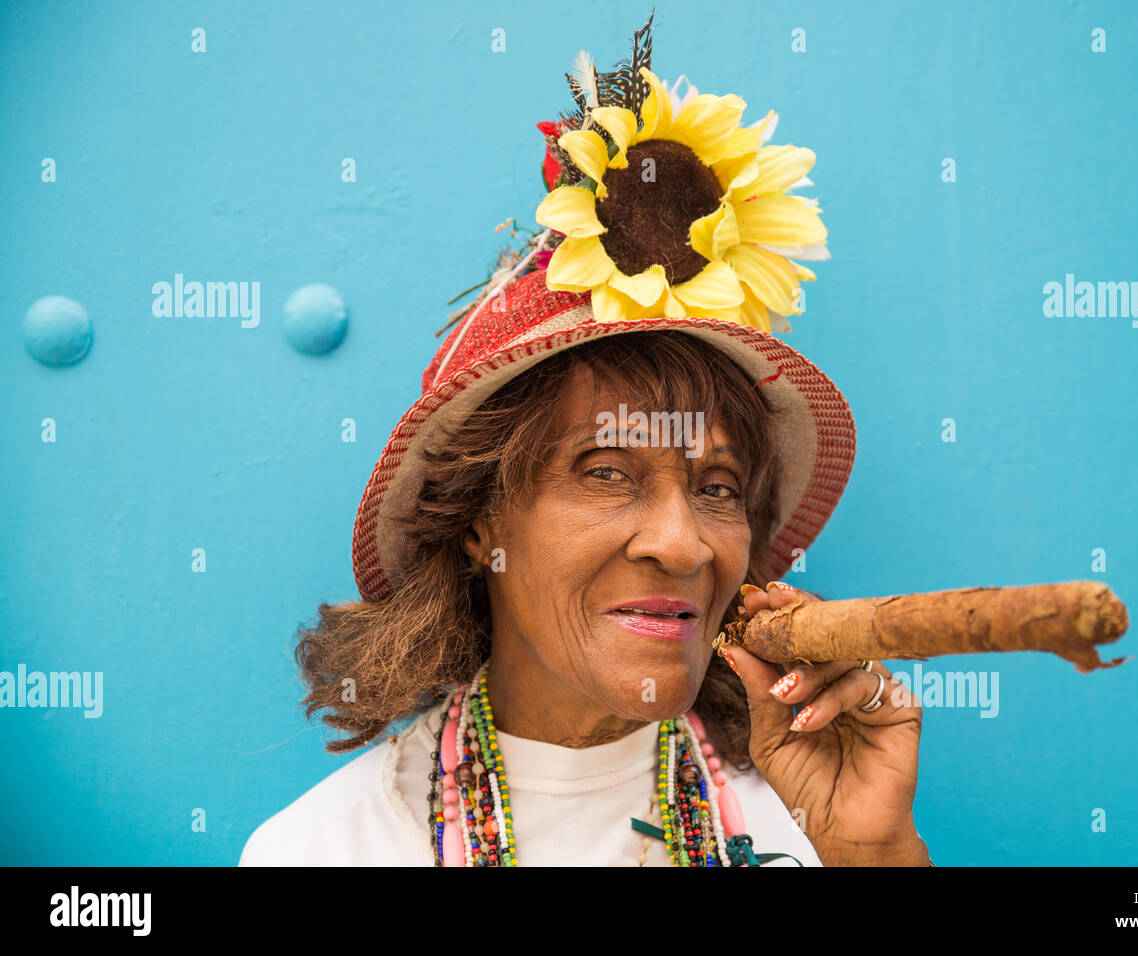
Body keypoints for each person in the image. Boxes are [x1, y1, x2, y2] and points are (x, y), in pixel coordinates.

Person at [239, 12, 931, 868]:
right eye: (606, 472)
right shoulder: (329, 851)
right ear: (477, 518)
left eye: (718, 487)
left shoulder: (806, 820)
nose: (683, 545)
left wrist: (874, 848)